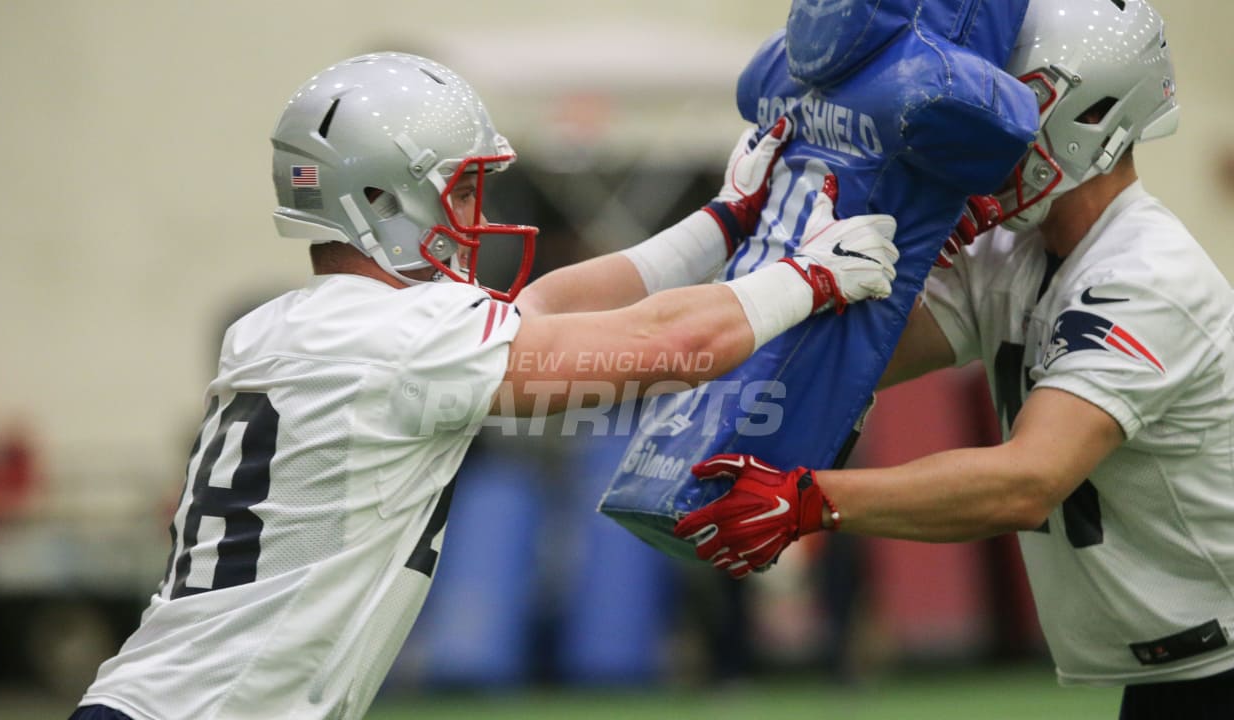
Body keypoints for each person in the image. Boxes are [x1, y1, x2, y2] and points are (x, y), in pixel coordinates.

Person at [68, 51, 898, 720]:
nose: (475, 208)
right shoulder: (395, 338)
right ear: (380, 198)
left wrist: (721, 222)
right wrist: (808, 277)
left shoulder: (296, 324)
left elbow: (537, 310)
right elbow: (669, 346)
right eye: (460, 186)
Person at [674, 1, 1234, 716]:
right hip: (1177, 668)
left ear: (1089, 114)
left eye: (1001, 104)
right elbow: (857, 359)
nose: (977, 131)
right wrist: (836, 246)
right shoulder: (1015, 251)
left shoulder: (1147, 275)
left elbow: (1028, 480)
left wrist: (811, 500)